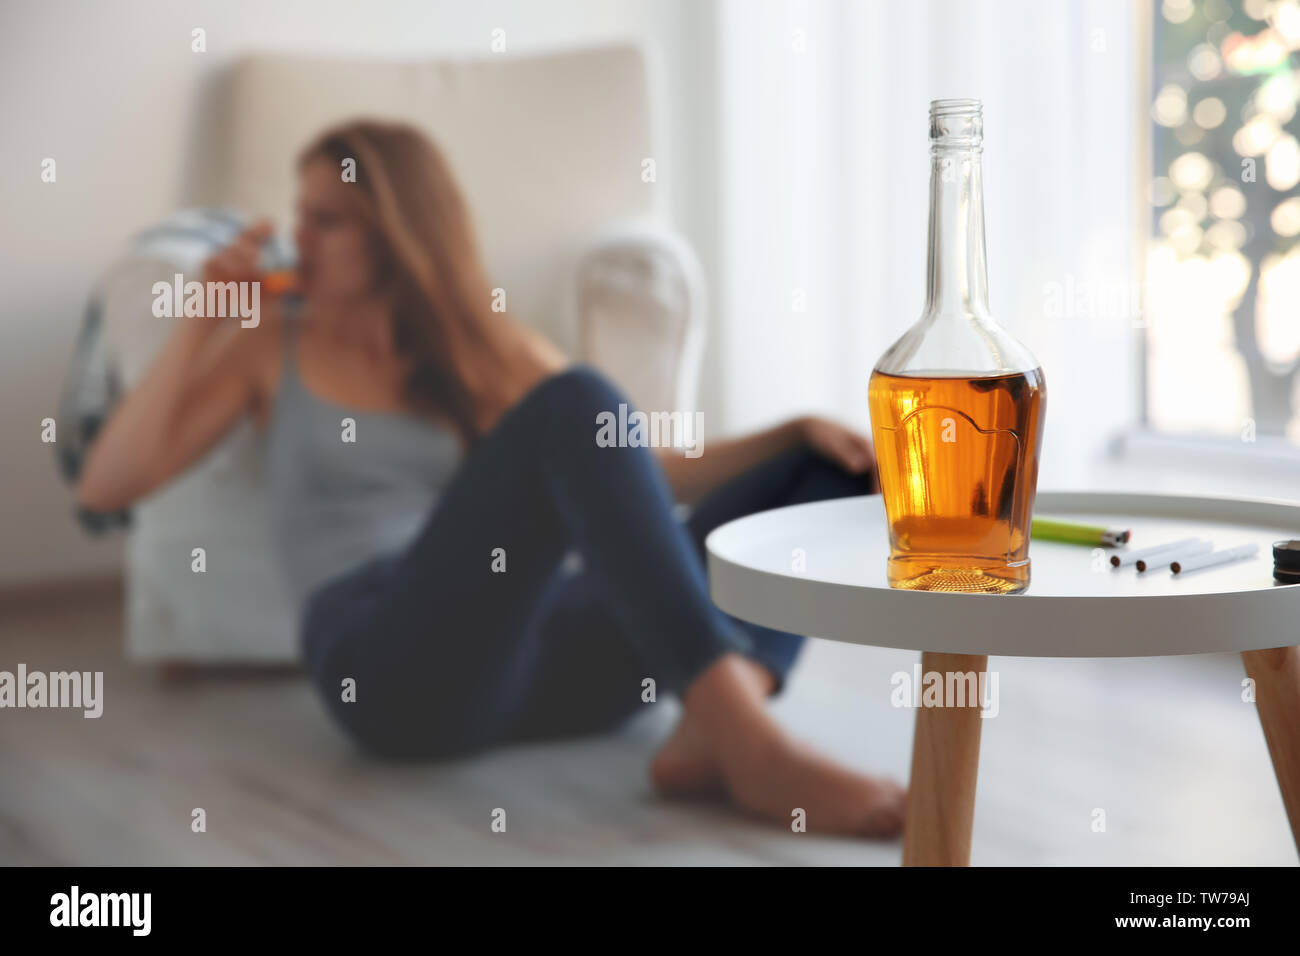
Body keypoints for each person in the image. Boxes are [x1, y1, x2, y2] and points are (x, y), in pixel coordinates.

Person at [77, 119, 905, 837]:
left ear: (393, 229)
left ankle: (718, 716)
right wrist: (199, 324)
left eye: (327, 219)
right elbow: (105, 488)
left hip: (535, 655)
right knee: (574, 399)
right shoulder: (273, 345)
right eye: (301, 216)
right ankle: (750, 744)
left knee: (826, 468)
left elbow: (638, 474)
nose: (301, 237)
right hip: (391, 659)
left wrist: (789, 432)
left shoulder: (486, 349)